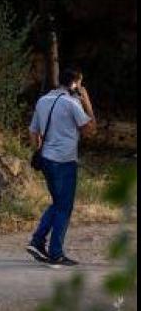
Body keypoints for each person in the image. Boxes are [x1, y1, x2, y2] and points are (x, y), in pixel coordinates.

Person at [26, 68, 96, 267]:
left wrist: (39, 150)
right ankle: (55, 253)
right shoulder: (72, 103)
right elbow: (90, 130)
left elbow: (33, 131)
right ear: (74, 84)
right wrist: (87, 103)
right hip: (64, 161)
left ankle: (38, 241)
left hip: (47, 159)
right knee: (64, 207)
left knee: (58, 202)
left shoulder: (43, 100)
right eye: (80, 84)